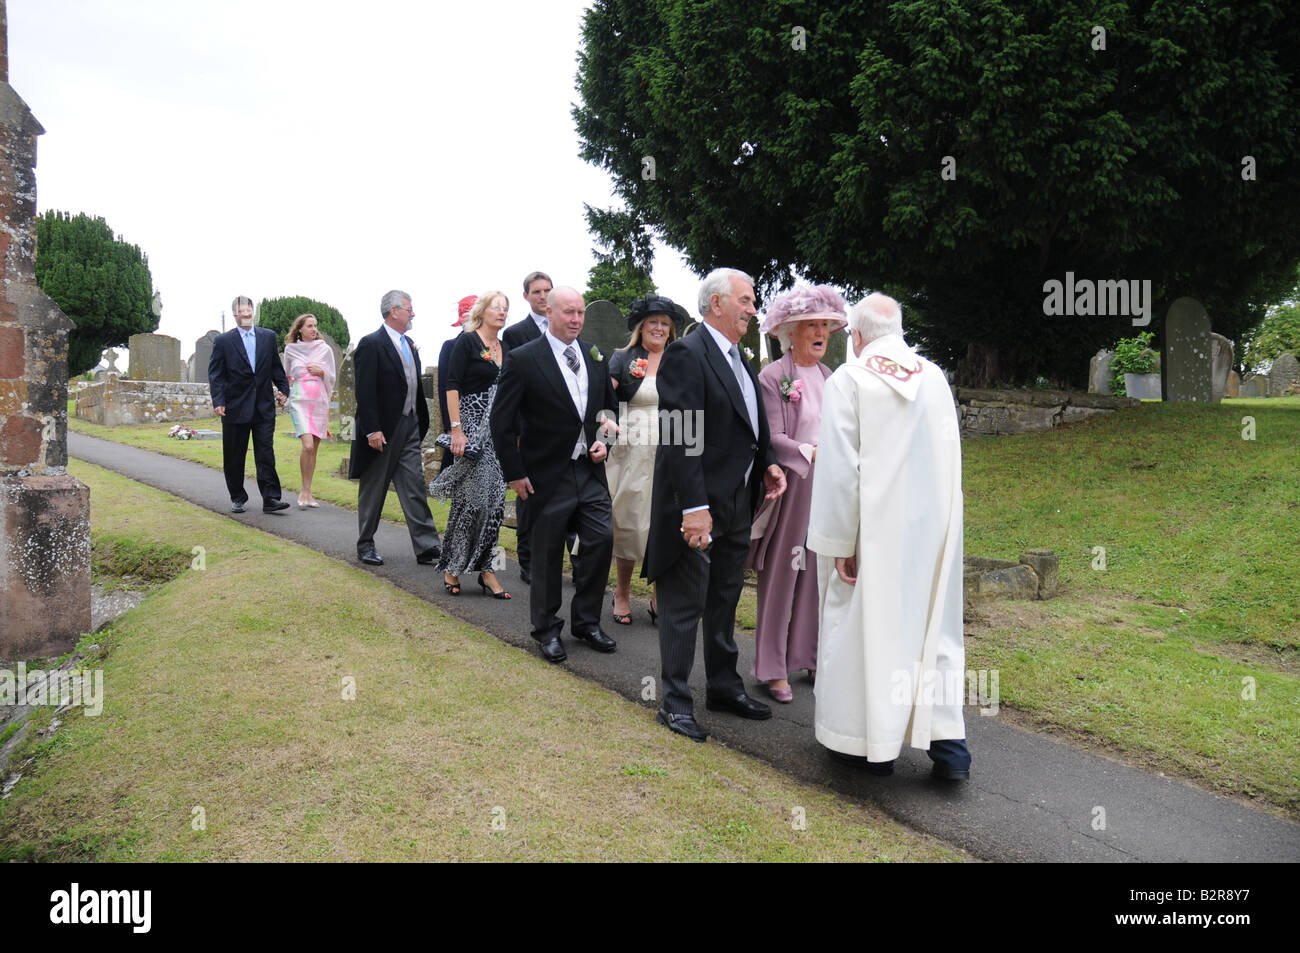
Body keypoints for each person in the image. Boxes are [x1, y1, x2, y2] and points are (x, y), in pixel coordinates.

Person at [806, 293, 971, 780]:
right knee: (932, 631)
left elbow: (839, 470)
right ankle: (949, 748)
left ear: (856, 337)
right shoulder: (935, 378)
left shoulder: (850, 379)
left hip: (872, 535)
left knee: (863, 631)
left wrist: (839, 543)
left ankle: (864, 745)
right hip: (931, 532)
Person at [644, 268, 787, 742]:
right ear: (716, 304)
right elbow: (681, 436)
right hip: (698, 505)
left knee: (725, 600)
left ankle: (724, 686)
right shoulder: (688, 353)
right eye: (746, 301)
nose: (753, 309)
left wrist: (767, 462)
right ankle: (674, 701)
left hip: (736, 504)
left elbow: (751, 423)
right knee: (686, 604)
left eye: (753, 301)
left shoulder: (740, 359)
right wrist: (693, 508)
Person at [489, 286, 618, 664]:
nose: (576, 320)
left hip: (588, 470)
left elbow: (609, 411)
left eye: (580, 313)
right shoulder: (525, 358)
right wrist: (514, 472)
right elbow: (502, 421)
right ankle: (546, 629)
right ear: (549, 311)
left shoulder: (594, 355)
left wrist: (605, 440)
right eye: (569, 313)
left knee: (601, 539)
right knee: (546, 555)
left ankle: (587, 622)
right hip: (544, 475)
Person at [748, 284, 846, 702]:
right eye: (811, 325)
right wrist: (808, 450)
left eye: (825, 325)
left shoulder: (831, 378)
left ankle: (805, 655)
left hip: (827, 488)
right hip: (789, 485)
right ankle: (771, 668)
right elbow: (771, 436)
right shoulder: (773, 376)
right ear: (791, 331)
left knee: (815, 577)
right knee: (782, 575)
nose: (820, 332)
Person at [605, 294, 684, 626]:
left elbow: (690, 404)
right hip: (632, 447)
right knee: (630, 519)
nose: (659, 328)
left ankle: (657, 596)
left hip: (670, 445)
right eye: (653, 321)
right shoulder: (623, 358)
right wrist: (603, 424)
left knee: (663, 523)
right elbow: (604, 396)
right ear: (641, 326)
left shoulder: (679, 360)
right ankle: (622, 593)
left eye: (665, 323)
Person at [348, 290, 442, 567]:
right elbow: (364, 391)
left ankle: (427, 546)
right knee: (374, 489)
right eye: (409, 309)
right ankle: (365, 544)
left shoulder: (409, 343)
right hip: (383, 430)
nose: (413, 313)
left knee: (413, 486)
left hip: (410, 425)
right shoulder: (371, 344)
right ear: (393, 311)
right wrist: (372, 429)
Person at [429, 292, 510, 599]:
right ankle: (452, 567)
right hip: (472, 428)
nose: (502, 312)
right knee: (471, 502)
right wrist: (457, 431)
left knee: (496, 506)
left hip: (499, 434)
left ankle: (487, 570)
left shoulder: (506, 347)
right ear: (482, 311)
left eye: (505, 308)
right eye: (496, 307)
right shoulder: (466, 342)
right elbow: (452, 385)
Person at [208, 295, 291, 514]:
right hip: (235, 406)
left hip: (263, 406)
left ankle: (271, 498)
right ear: (235, 314)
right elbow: (216, 374)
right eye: (241, 311)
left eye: (249, 310)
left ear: (253, 312)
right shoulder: (223, 341)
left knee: (265, 453)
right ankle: (237, 496)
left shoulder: (268, 337)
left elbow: (275, 367)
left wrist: (284, 389)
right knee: (235, 455)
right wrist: (219, 401)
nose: (245, 314)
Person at [501, 270, 552, 585]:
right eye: (537, 292)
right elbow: (513, 391)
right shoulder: (516, 334)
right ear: (526, 297)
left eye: (548, 290)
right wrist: (517, 434)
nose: (543, 296)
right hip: (529, 428)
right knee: (529, 499)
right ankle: (528, 561)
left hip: (559, 430)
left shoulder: (564, 329)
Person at [283, 312, 337, 509]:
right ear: (300, 330)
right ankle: (303, 491)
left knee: (313, 448)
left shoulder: (325, 350)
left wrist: (321, 372)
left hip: (319, 401)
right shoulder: (290, 350)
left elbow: (332, 375)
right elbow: (287, 375)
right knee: (306, 445)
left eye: (315, 326)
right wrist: (283, 394)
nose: (314, 330)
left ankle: (307, 490)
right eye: (309, 326)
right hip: (300, 400)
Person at [436, 295, 477, 472]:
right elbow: (445, 386)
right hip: (461, 420)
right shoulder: (450, 346)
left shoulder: (491, 346)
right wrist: (450, 427)